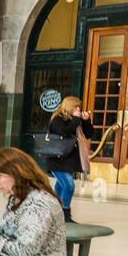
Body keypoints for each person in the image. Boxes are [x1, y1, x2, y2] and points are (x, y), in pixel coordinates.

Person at [44, 95, 95, 223]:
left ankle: (54, 213)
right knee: (69, 185)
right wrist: (77, 120)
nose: (78, 109)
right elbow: (65, 132)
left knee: (61, 187)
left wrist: (86, 120)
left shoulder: (75, 120)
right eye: (76, 106)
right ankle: (65, 215)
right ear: (69, 107)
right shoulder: (58, 119)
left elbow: (89, 134)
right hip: (57, 160)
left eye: (79, 107)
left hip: (68, 160)